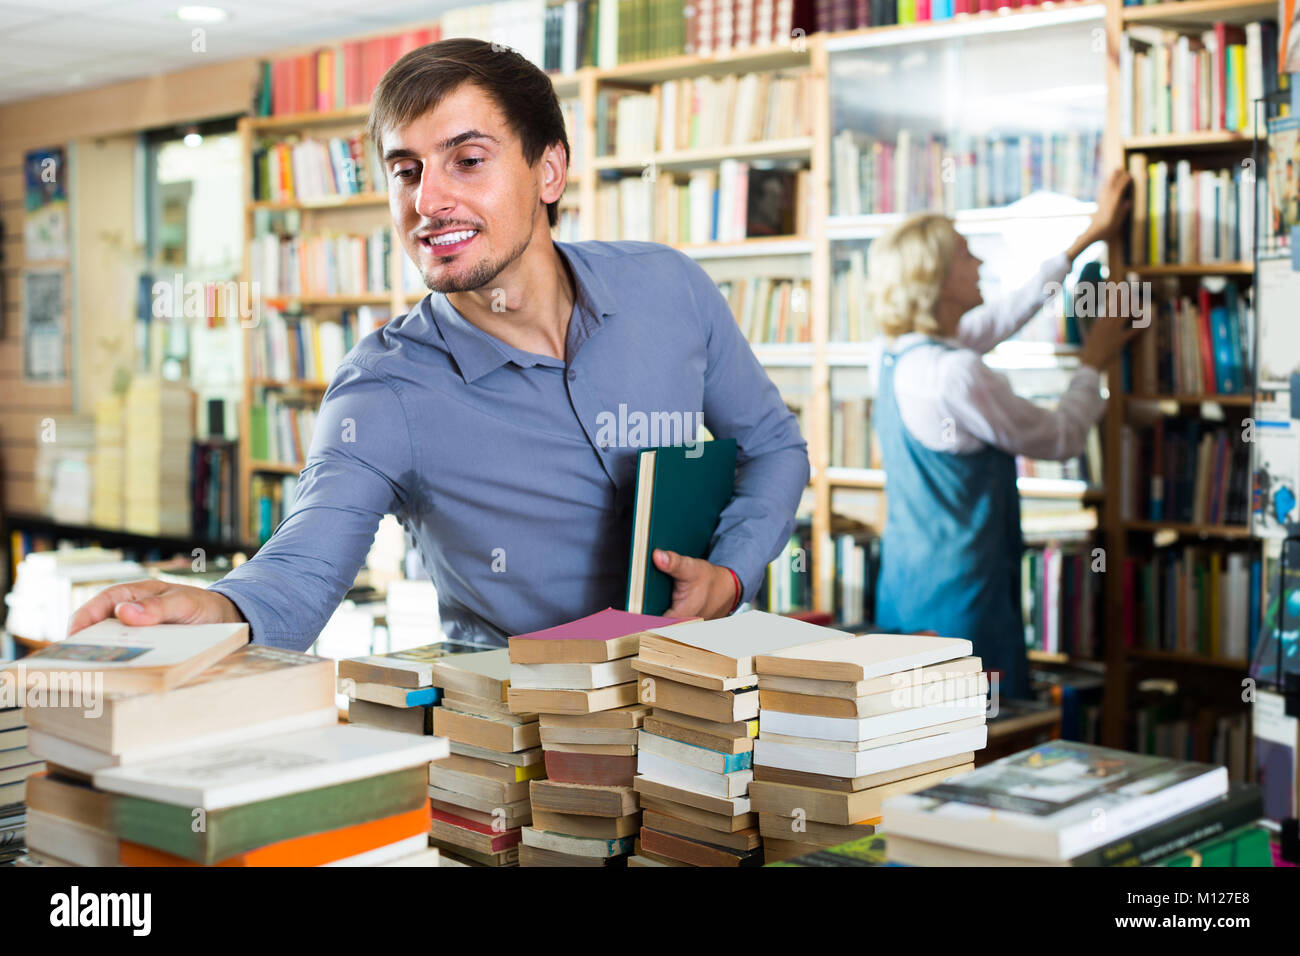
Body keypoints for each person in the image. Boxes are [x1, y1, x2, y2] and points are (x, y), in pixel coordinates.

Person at [70, 38, 810, 649]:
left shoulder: (670, 289)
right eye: (406, 171)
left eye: (468, 159)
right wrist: (221, 609)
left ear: (548, 170)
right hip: (516, 758)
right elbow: (302, 568)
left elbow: (774, 444)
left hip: (702, 703)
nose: (428, 200)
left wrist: (732, 574)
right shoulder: (383, 391)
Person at [865, 170, 1138, 699]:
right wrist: (1093, 362)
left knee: (912, 751)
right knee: (982, 747)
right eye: (967, 255)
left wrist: (1089, 236)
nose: (982, 263)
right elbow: (1060, 438)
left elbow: (1001, 316)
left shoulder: (893, 353)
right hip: (965, 612)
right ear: (939, 280)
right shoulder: (957, 374)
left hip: (904, 595)